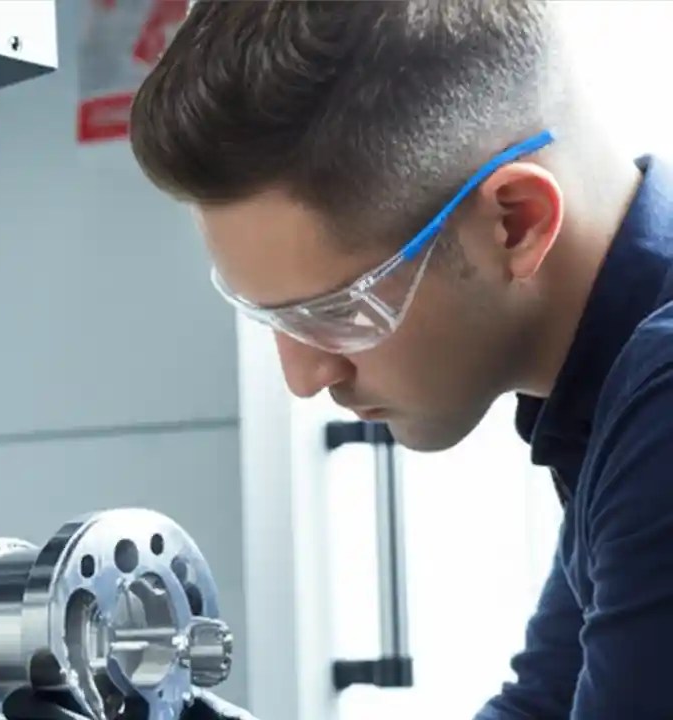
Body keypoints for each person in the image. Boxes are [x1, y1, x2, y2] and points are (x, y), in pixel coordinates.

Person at [126, 1, 673, 718]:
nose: (304, 378)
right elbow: (541, 707)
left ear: (517, 222)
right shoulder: (607, 399)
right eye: (270, 318)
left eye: (337, 312)